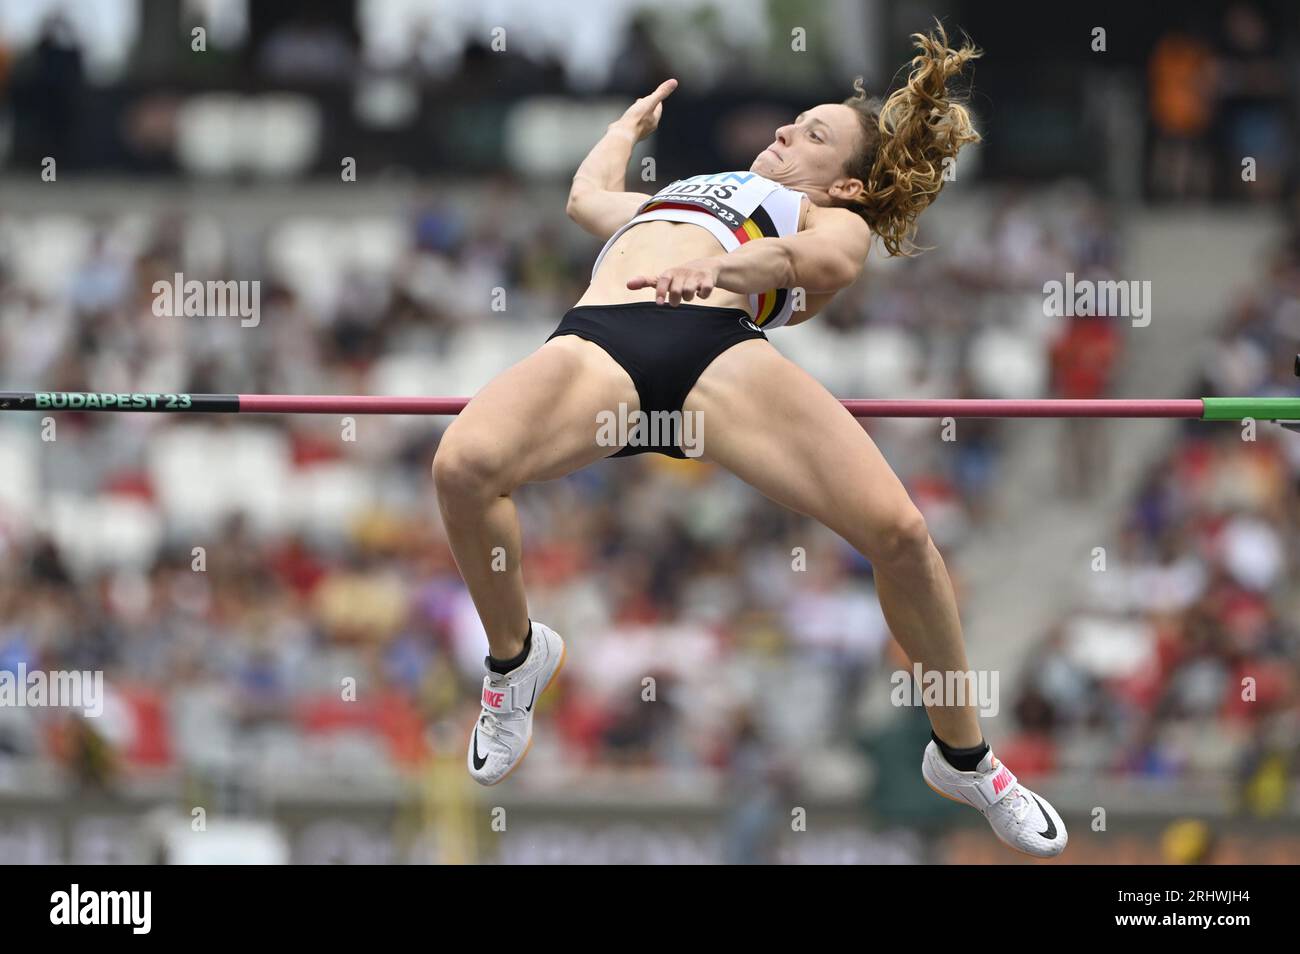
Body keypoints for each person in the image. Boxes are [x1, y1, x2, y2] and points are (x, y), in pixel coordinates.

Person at [433, 24, 1068, 857]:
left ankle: (966, 757)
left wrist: (723, 271)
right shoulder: (688, 190)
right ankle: (517, 661)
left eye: (812, 133)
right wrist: (625, 131)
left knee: (903, 537)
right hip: (598, 343)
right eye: (790, 121)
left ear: (844, 178)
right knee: (462, 467)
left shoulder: (824, 210)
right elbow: (588, 202)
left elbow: (827, 266)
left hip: (717, 354)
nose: (782, 133)